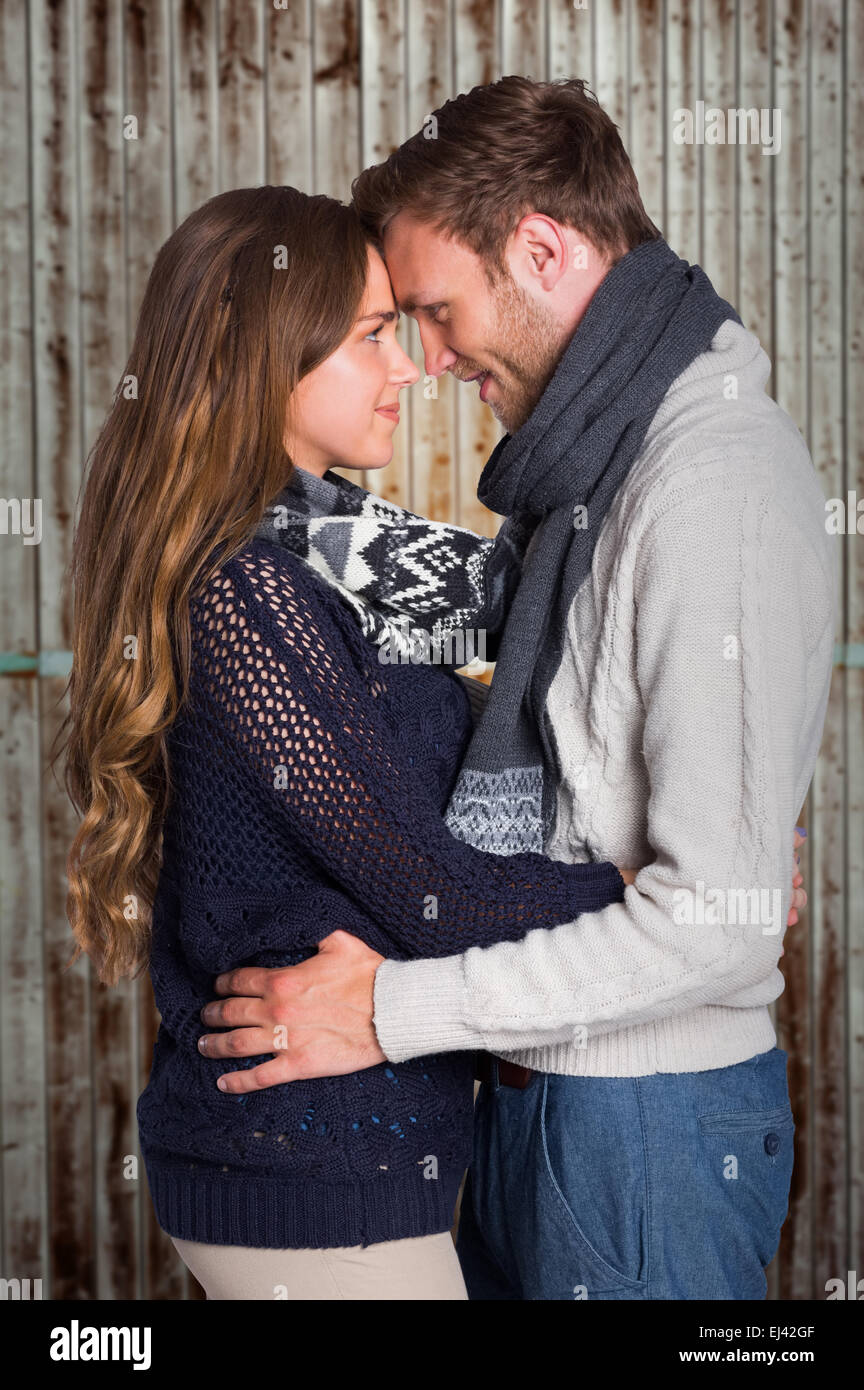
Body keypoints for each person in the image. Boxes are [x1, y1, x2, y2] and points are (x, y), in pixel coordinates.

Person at [200, 76, 829, 1300]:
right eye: (385, 330)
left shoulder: (707, 486)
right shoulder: (592, 471)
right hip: (532, 1100)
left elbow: (716, 921)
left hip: (639, 1124)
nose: (427, 362)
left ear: (542, 249)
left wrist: (388, 1011)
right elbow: (362, 640)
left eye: (430, 313)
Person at [54, 182, 660, 1301]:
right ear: (265, 351)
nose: (415, 368)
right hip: (307, 1171)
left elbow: (506, 667)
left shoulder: (325, 567)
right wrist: (652, 893)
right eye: (377, 334)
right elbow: (427, 887)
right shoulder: (246, 593)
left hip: (350, 1165)